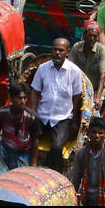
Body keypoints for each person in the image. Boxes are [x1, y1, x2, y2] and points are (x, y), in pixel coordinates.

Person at [29, 38, 85, 171]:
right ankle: (30, 166)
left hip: (62, 118)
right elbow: (35, 92)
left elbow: (76, 97)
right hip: (42, 115)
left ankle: (52, 173)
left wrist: (75, 121)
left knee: (57, 147)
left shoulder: (74, 71)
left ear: (67, 52)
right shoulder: (43, 68)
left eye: (61, 50)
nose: (57, 53)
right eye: (55, 49)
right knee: (27, 137)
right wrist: (32, 113)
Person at [0, 82, 41, 172]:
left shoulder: (32, 117)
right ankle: (0, 171)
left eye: (24, 98)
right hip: (5, 150)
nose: (22, 101)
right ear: (12, 98)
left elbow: (35, 142)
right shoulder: (1, 113)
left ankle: (2, 172)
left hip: (22, 154)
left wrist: (33, 165)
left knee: (19, 173)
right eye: (19, 98)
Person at [70, 117, 105, 206]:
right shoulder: (82, 154)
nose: (97, 136)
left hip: (104, 201)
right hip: (86, 199)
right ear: (88, 133)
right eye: (93, 132)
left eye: (100, 133)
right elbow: (75, 180)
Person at [70, 21, 105, 112]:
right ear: (84, 35)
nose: (92, 38)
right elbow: (69, 69)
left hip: (97, 88)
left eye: (95, 36)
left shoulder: (101, 50)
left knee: (91, 113)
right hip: (79, 87)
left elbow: (102, 75)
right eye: (89, 35)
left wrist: (98, 98)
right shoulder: (76, 47)